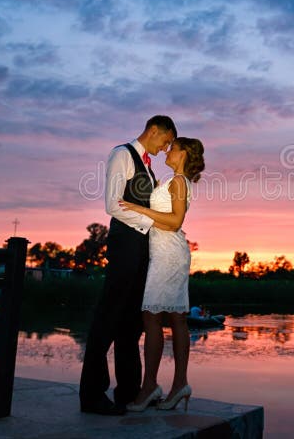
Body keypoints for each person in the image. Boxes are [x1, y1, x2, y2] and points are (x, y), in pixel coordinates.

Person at [79, 115, 177, 415]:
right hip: (124, 244)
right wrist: (151, 222)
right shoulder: (122, 154)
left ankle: (128, 392)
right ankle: (92, 396)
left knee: (131, 324)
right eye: (166, 140)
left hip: (142, 248)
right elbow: (112, 204)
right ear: (154, 130)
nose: (166, 147)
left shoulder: (147, 167)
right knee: (108, 317)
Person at [118, 137, 205, 412]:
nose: (168, 150)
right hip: (166, 252)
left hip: (169, 254)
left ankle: (150, 387)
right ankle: (178, 385)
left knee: (153, 316)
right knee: (176, 318)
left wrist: (136, 208)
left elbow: (175, 221)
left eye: (173, 147)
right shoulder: (173, 181)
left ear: (183, 154)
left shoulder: (179, 182)